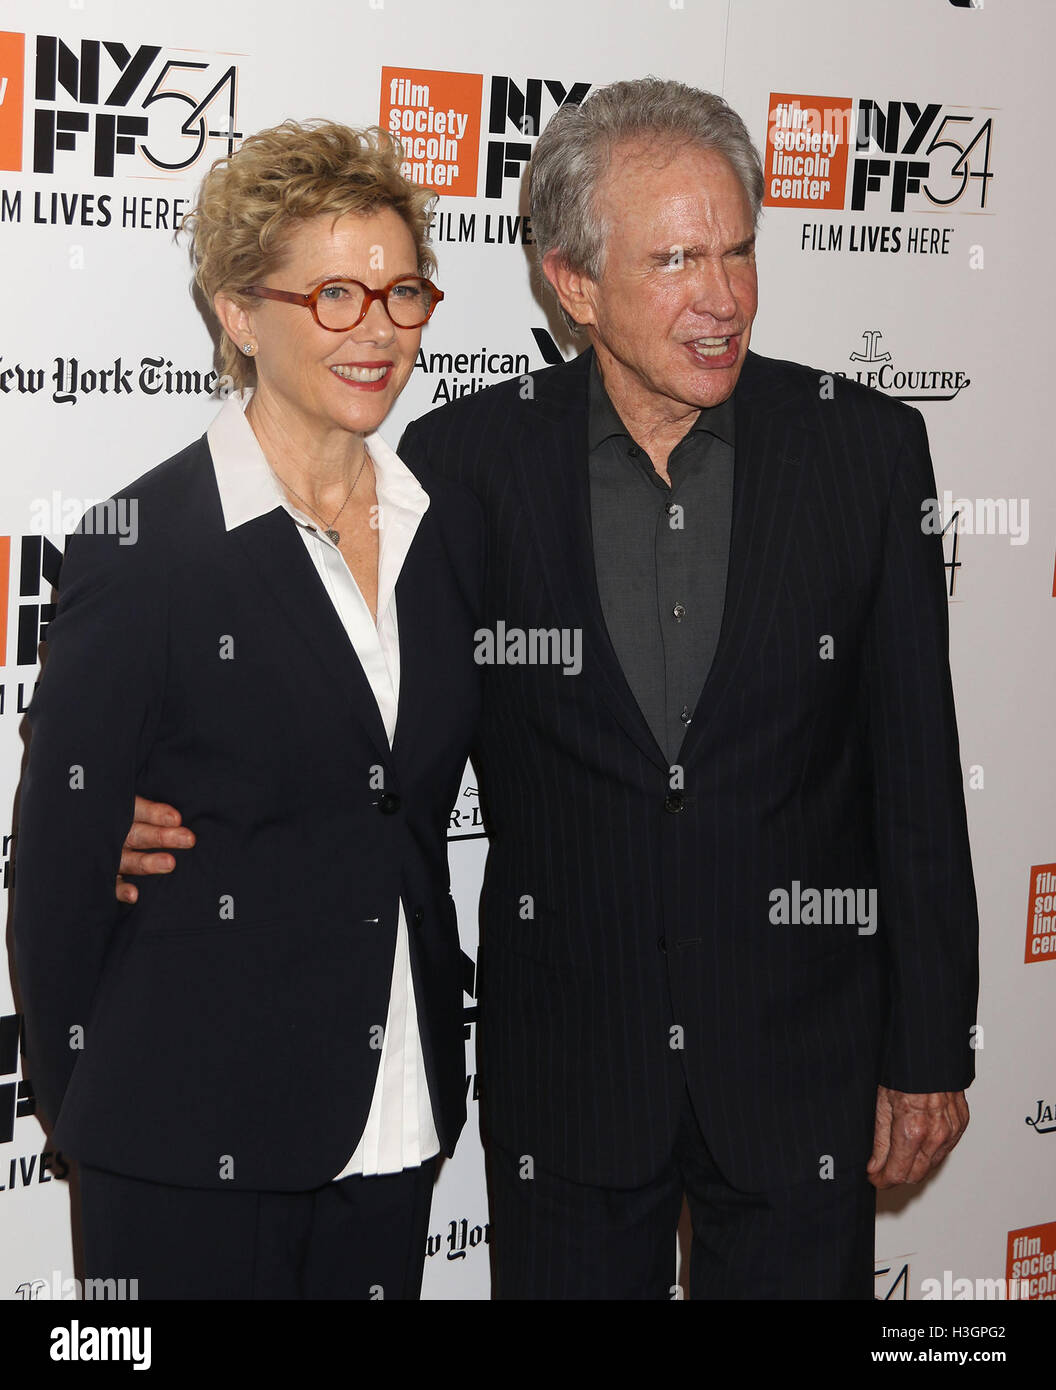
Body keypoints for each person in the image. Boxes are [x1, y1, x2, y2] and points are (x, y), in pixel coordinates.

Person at [119, 79, 979, 1300]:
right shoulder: (465, 466)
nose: (723, 295)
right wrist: (140, 793)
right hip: (570, 1085)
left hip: (804, 1070)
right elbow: (375, 730)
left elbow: (917, 775)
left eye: (737, 249)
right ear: (573, 283)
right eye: (678, 258)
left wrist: (930, 1047)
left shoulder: (865, 450)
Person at [13, 120, 482, 1300]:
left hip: (394, 1121)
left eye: (400, 290)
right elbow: (61, 872)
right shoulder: (147, 548)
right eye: (332, 293)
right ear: (236, 311)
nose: (377, 328)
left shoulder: (446, 532)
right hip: (180, 1143)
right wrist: (94, 1115)